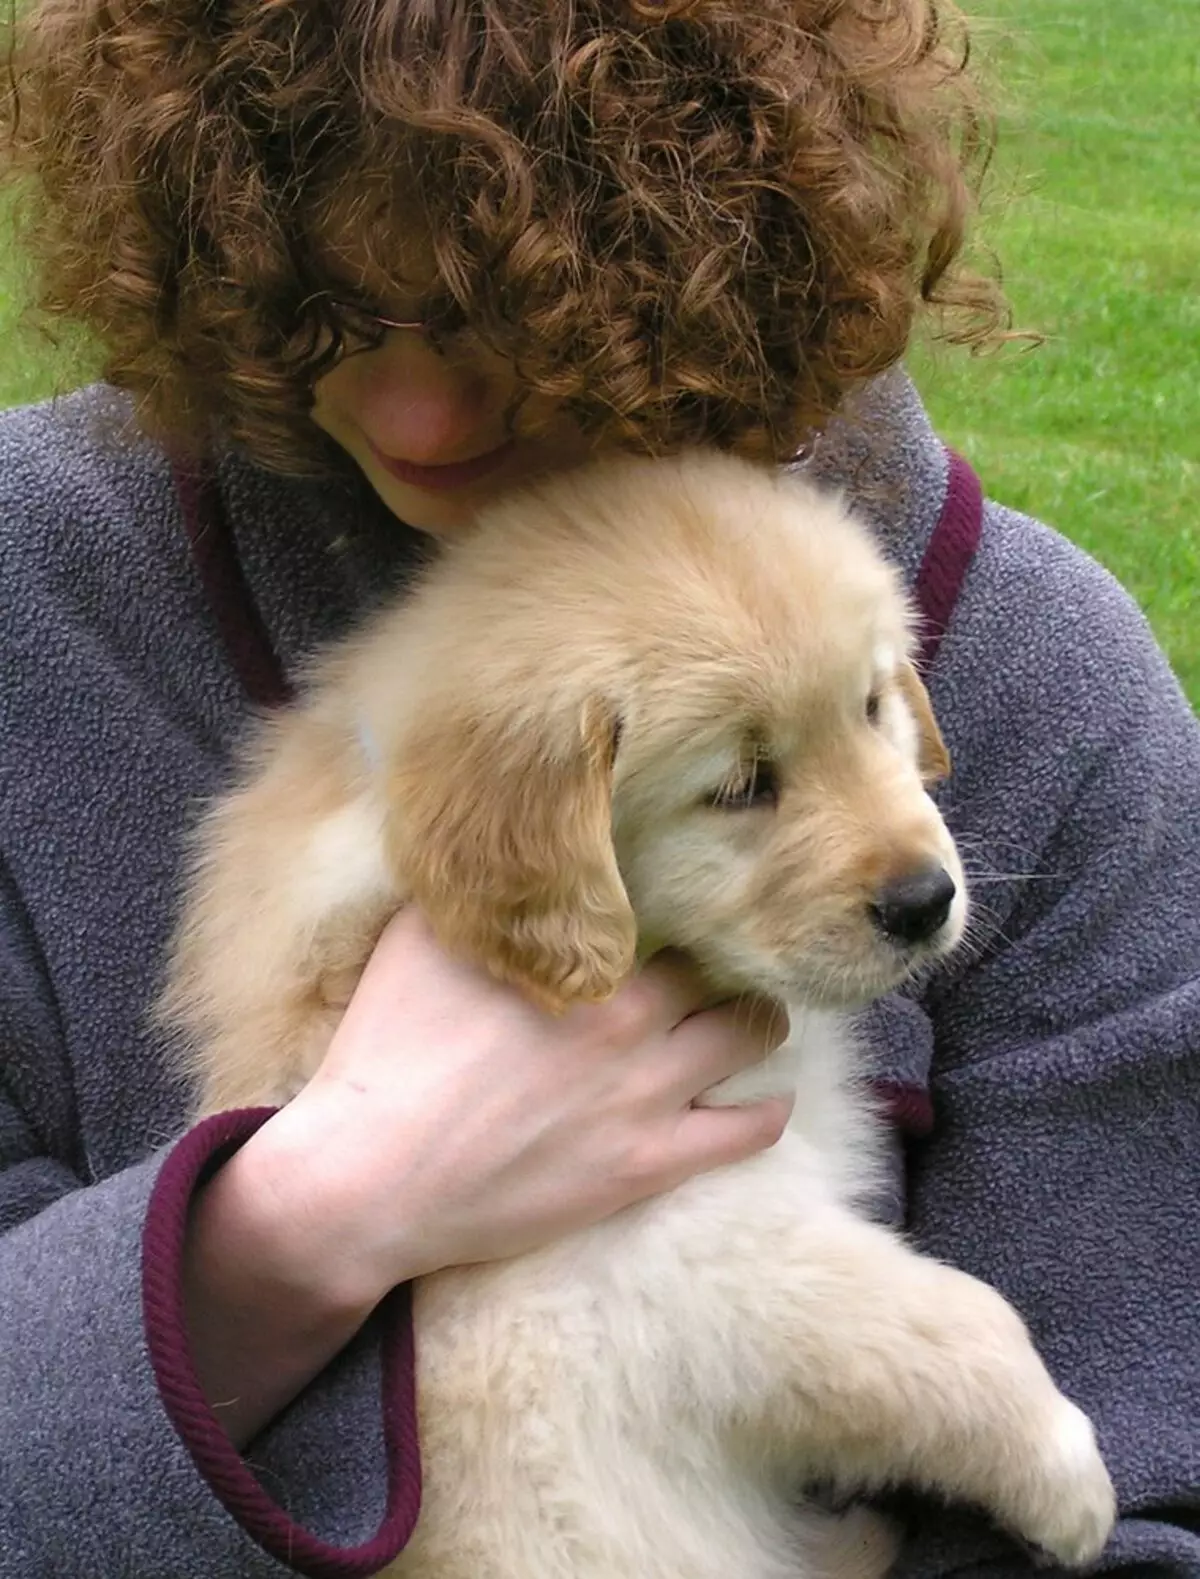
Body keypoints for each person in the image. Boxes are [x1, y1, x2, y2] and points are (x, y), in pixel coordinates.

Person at [0, 2, 1196, 1576]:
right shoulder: (35, 594)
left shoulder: (1043, 682)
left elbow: (1141, 1494)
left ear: (709, 265)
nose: (415, 413)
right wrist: (298, 1230)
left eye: (497, 318)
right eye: (330, 309)